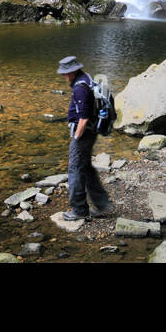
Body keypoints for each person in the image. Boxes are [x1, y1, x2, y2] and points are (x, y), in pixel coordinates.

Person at [57, 55, 113, 221]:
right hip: (91, 132)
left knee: (75, 170)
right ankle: (102, 203)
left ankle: (79, 210)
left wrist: (76, 137)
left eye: (65, 73)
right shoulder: (86, 77)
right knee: (86, 167)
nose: (63, 76)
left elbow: (84, 117)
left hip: (84, 134)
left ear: (72, 71)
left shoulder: (80, 88)